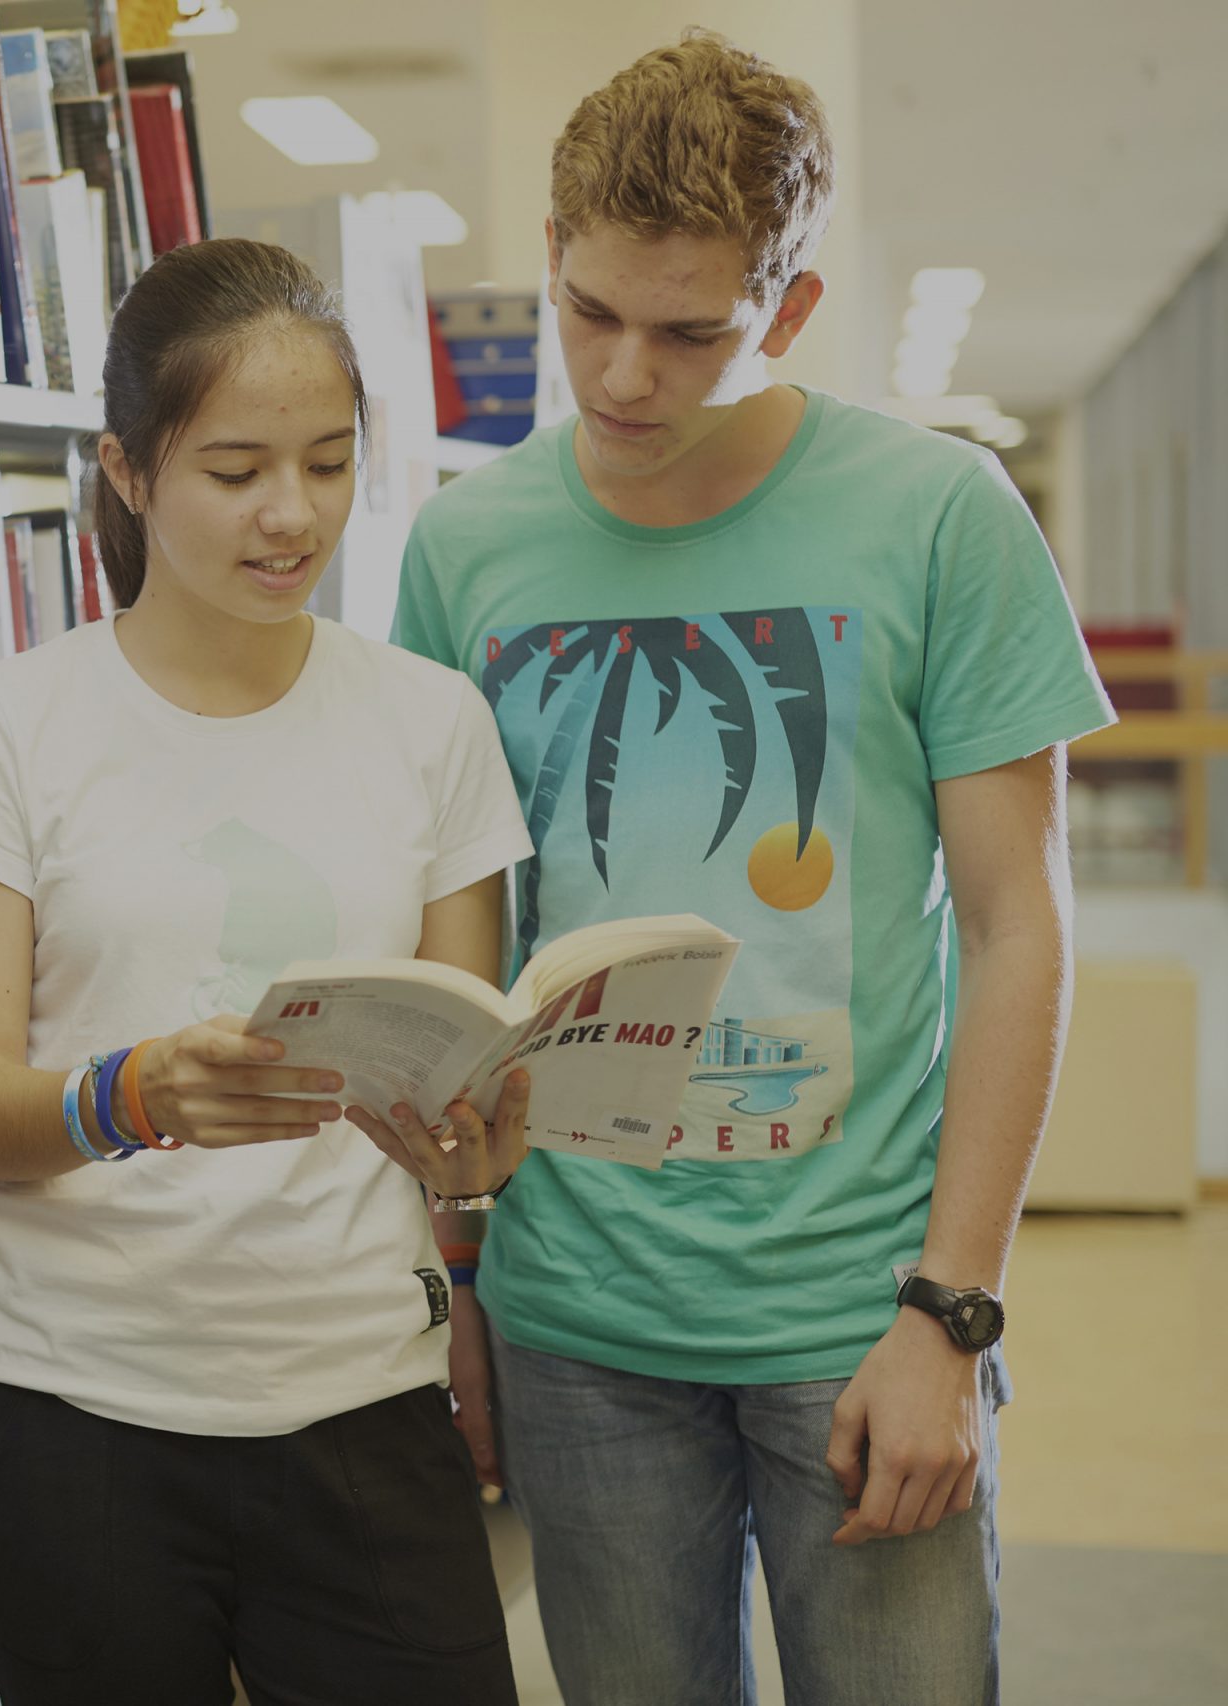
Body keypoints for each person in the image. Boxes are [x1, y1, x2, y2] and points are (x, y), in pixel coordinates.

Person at [391, 31, 1117, 1706]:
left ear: (787, 311)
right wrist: (461, 1278)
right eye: (589, 311)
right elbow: (459, 961)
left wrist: (953, 1313)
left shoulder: (940, 516)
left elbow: (1019, 929)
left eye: (689, 331)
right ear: (551, 257)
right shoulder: (463, 548)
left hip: (863, 1312)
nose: (623, 374)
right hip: (578, 1323)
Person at [0, 237, 536, 1706]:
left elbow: (465, 1088)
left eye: (327, 462)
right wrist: (130, 1095)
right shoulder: (7, 727)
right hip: (74, 1418)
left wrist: (477, 1152)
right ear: (126, 470)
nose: (291, 513)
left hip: (361, 1402)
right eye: (236, 470)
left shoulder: (433, 724)